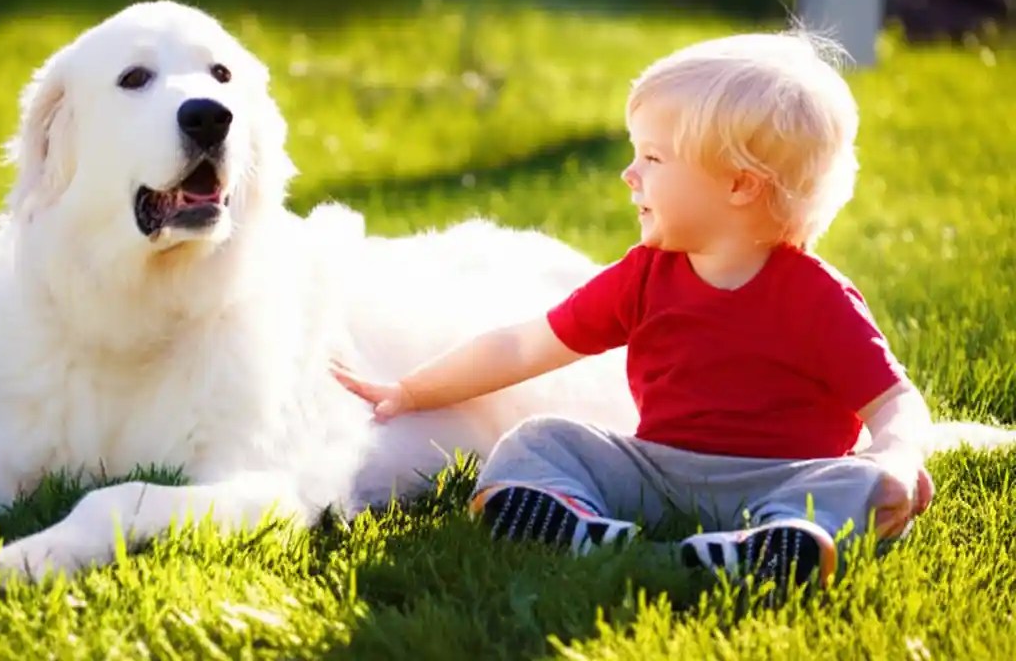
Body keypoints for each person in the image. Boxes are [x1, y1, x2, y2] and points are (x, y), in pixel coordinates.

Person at [330, 30, 934, 591]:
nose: (629, 175)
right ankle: (579, 527)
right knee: (541, 440)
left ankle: (776, 544)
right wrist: (412, 390)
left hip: (787, 478)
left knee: (859, 484)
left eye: (653, 158)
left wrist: (896, 458)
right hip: (659, 472)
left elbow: (895, 402)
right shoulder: (644, 278)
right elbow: (524, 346)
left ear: (739, 186)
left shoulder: (818, 299)